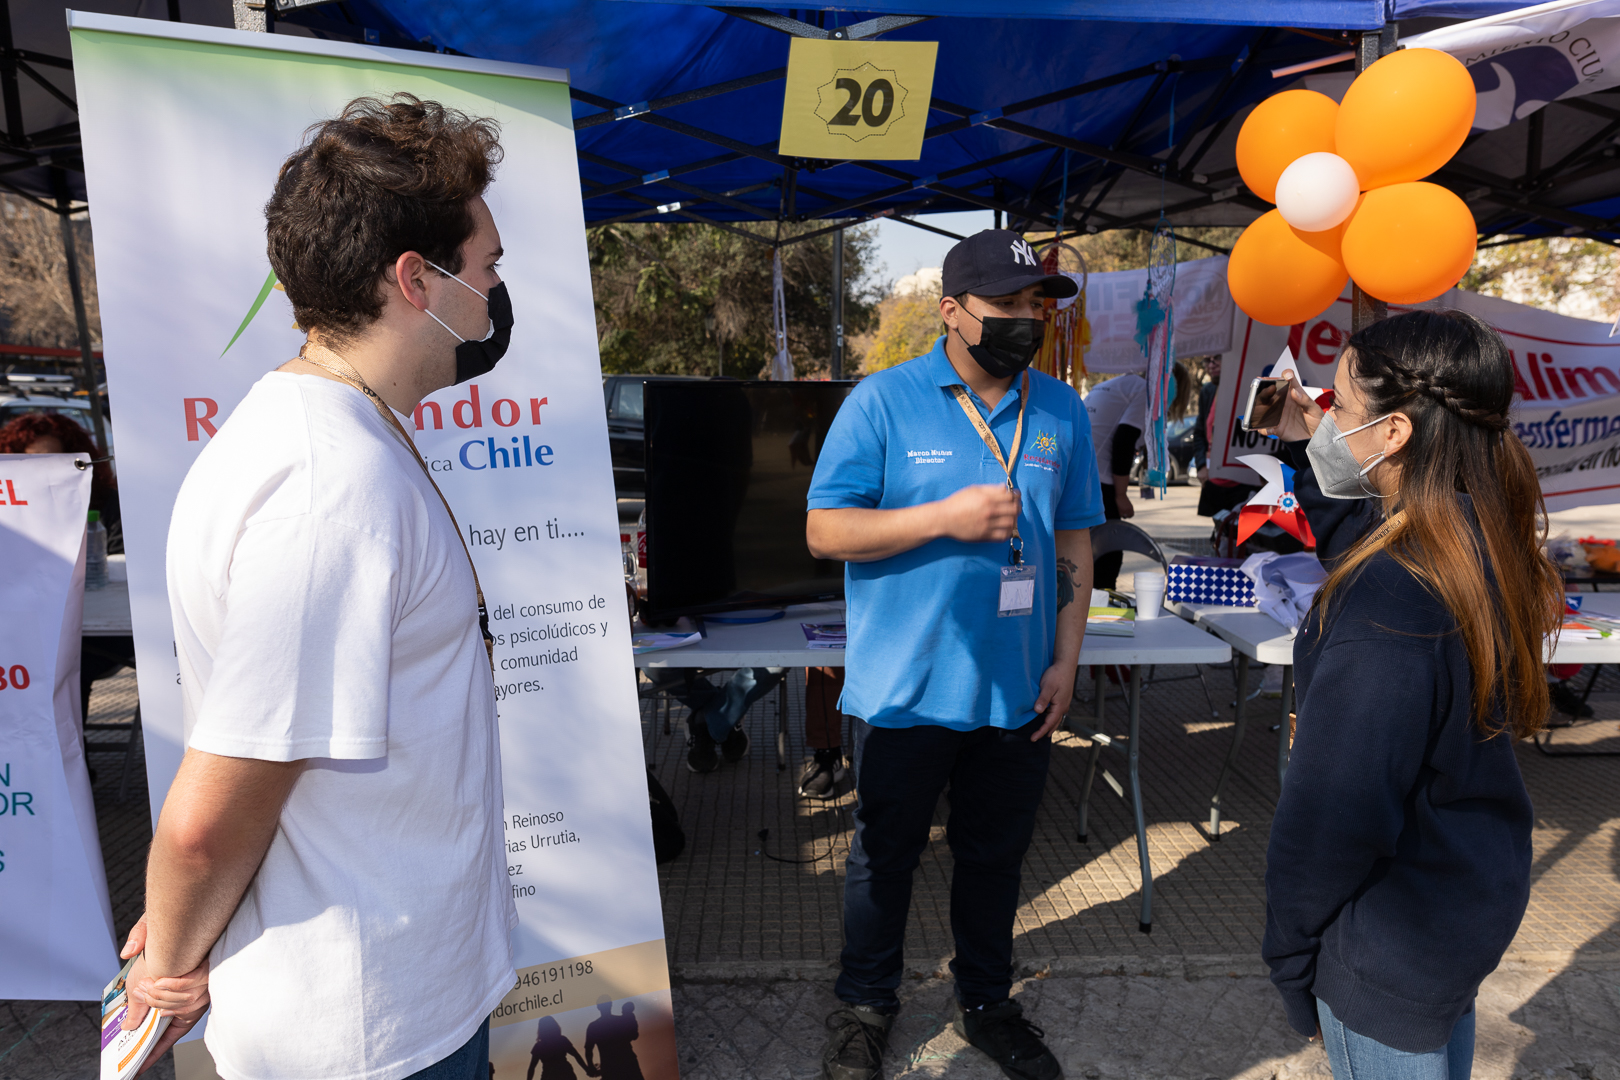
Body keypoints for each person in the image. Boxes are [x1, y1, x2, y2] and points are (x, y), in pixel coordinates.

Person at [118, 94, 517, 1079]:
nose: (500, 290)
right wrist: (162, 968)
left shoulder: (337, 437)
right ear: (416, 279)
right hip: (365, 1029)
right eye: (489, 266)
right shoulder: (329, 489)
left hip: (391, 992)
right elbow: (217, 808)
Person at [805, 229, 1104, 1080]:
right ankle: (865, 1004)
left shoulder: (1060, 411)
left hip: (1016, 690)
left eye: (1034, 305)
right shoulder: (883, 402)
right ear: (952, 312)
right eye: (1005, 306)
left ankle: (985, 1004)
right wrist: (943, 518)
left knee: (994, 859)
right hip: (905, 689)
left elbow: (1075, 541)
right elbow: (826, 531)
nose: (1024, 320)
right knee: (883, 859)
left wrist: (1066, 659)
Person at [1256, 309, 1562, 1080]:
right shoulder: (1474, 538)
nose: (1329, 420)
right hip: (1455, 911)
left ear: (1393, 433)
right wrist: (1302, 447)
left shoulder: (1390, 601)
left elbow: (1331, 818)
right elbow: (1365, 537)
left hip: (1387, 947)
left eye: (1341, 409)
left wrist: (1292, 960)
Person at [1081, 362, 1190, 589]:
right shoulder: (1145, 392)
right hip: (1097, 480)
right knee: (1106, 556)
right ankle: (1100, 615)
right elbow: (1124, 440)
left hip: (1080, 473)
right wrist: (1121, 495)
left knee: (1085, 550)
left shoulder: (1120, 384)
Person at [527, 1016, 593, 1080]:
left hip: (548, 1075)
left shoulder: (539, 1046)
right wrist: (587, 1069)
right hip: (566, 1073)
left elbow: (532, 1067)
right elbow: (576, 1055)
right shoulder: (562, 1040)